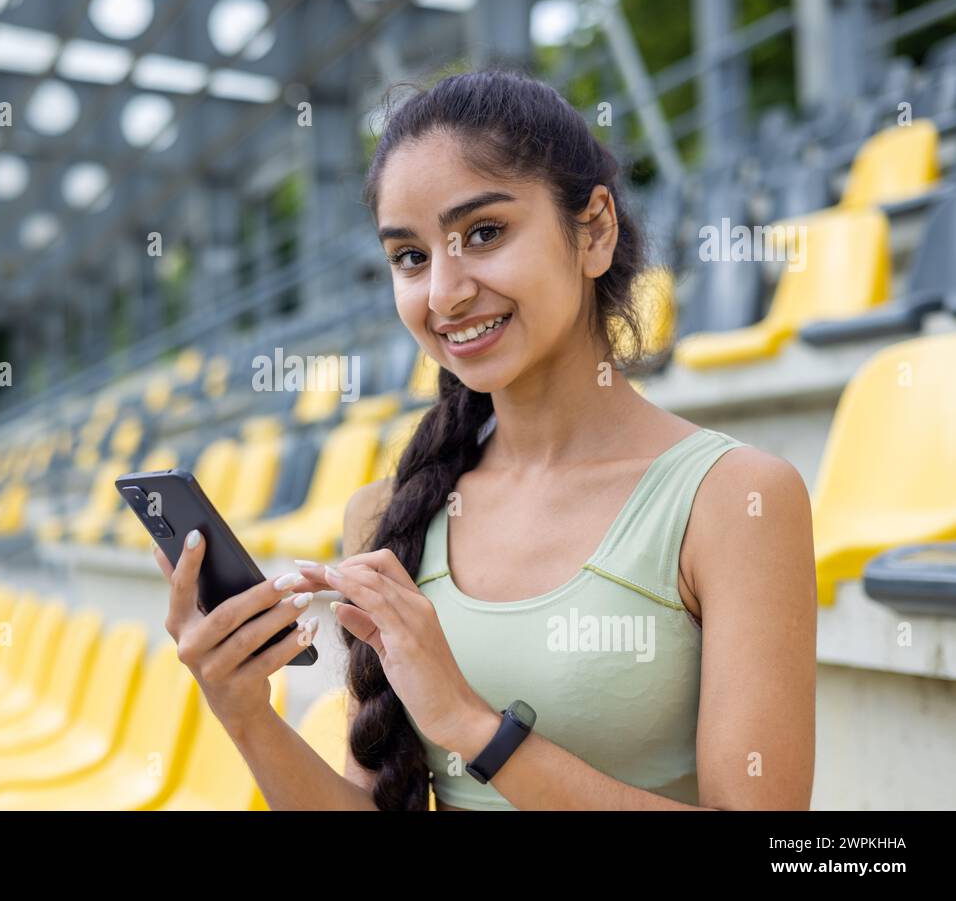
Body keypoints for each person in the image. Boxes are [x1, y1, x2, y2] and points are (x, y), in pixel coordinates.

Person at [153, 68, 817, 810]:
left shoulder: (737, 499)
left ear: (594, 230)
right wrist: (244, 711)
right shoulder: (386, 515)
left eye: (484, 233)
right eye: (411, 256)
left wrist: (473, 727)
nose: (444, 292)